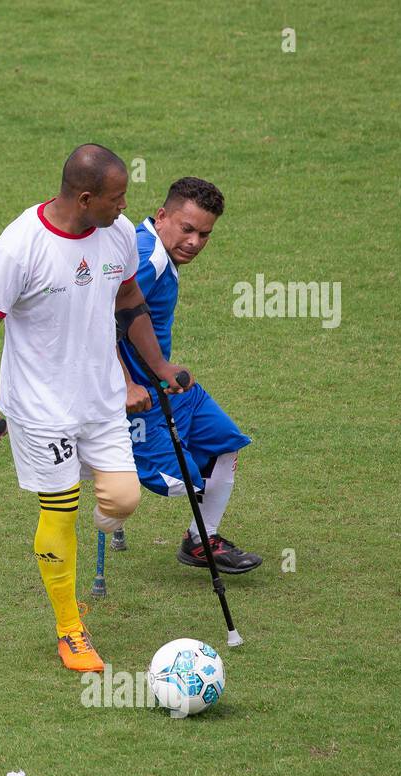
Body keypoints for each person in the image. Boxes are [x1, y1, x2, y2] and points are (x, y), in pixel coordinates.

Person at [0, 144, 193, 673]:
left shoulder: (114, 234)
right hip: (42, 407)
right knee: (59, 507)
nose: (125, 209)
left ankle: (79, 567)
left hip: (101, 397)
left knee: (123, 499)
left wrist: (159, 369)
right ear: (85, 198)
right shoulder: (22, 246)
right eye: (116, 199)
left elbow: (129, 300)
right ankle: (70, 628)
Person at [119, 177, 261, 573]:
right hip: (136, 396)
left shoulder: (156, 252)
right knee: (180, 480)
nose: (195, 242)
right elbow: (95, 323)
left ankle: (202, 541)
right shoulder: (147, 259)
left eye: (204, 234)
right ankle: (95, 459)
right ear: (162, 216)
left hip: (166, 385)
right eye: (187, 229)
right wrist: (126, 385)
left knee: (225, 443)